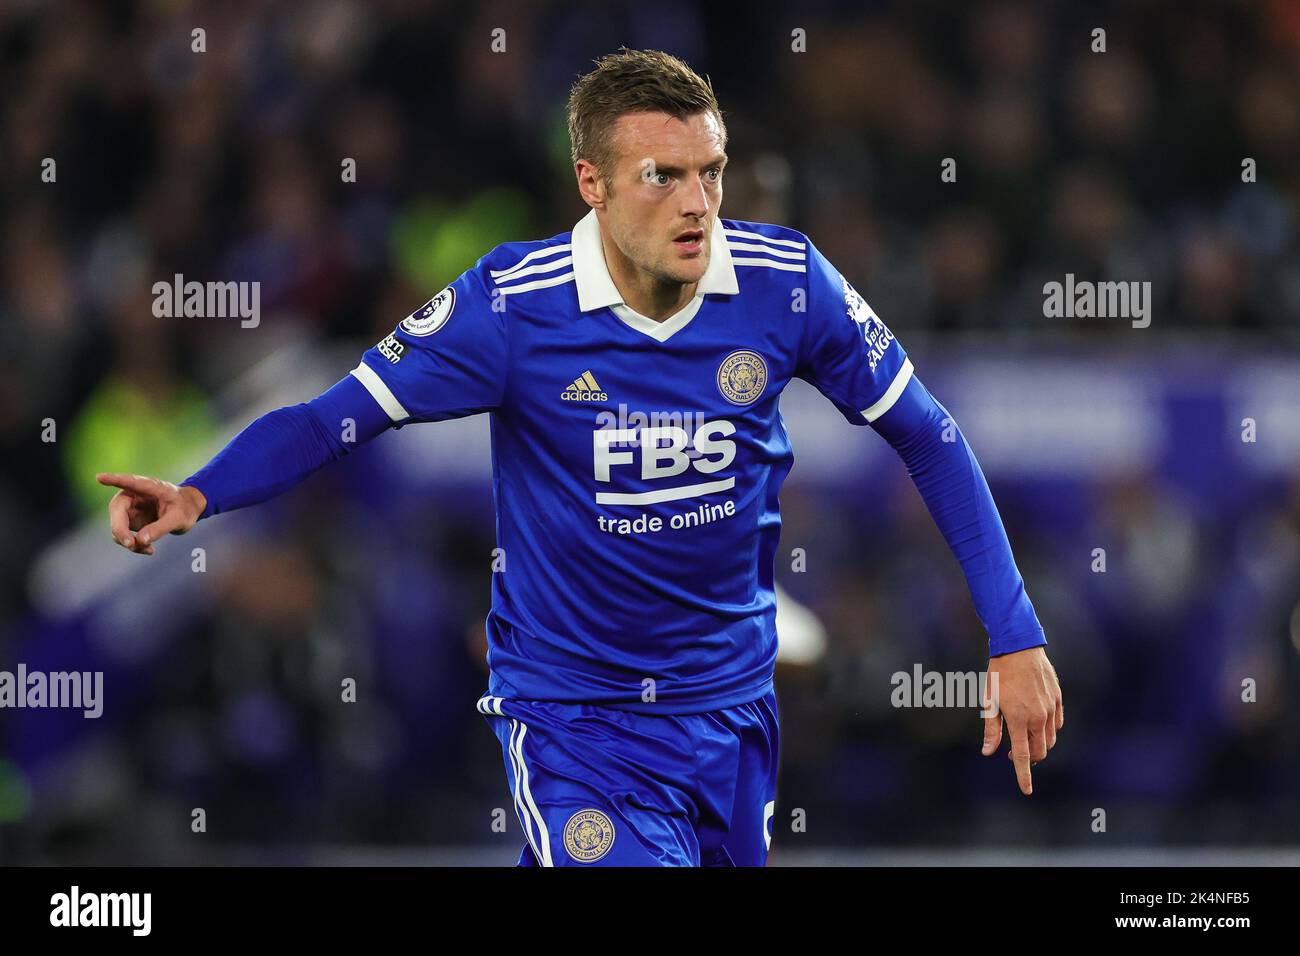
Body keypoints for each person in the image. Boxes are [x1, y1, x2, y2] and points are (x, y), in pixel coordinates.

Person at [98, 48, 1063, 866]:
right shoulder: (511, 307)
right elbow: (330, 419)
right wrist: (199, 492)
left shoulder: (787, 284)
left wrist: (1013, 633)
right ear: (592, 184)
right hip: (576, 724)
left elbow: (928, 435)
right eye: (663, 177)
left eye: (712, 171)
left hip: (733, 713)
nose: (699, 204)